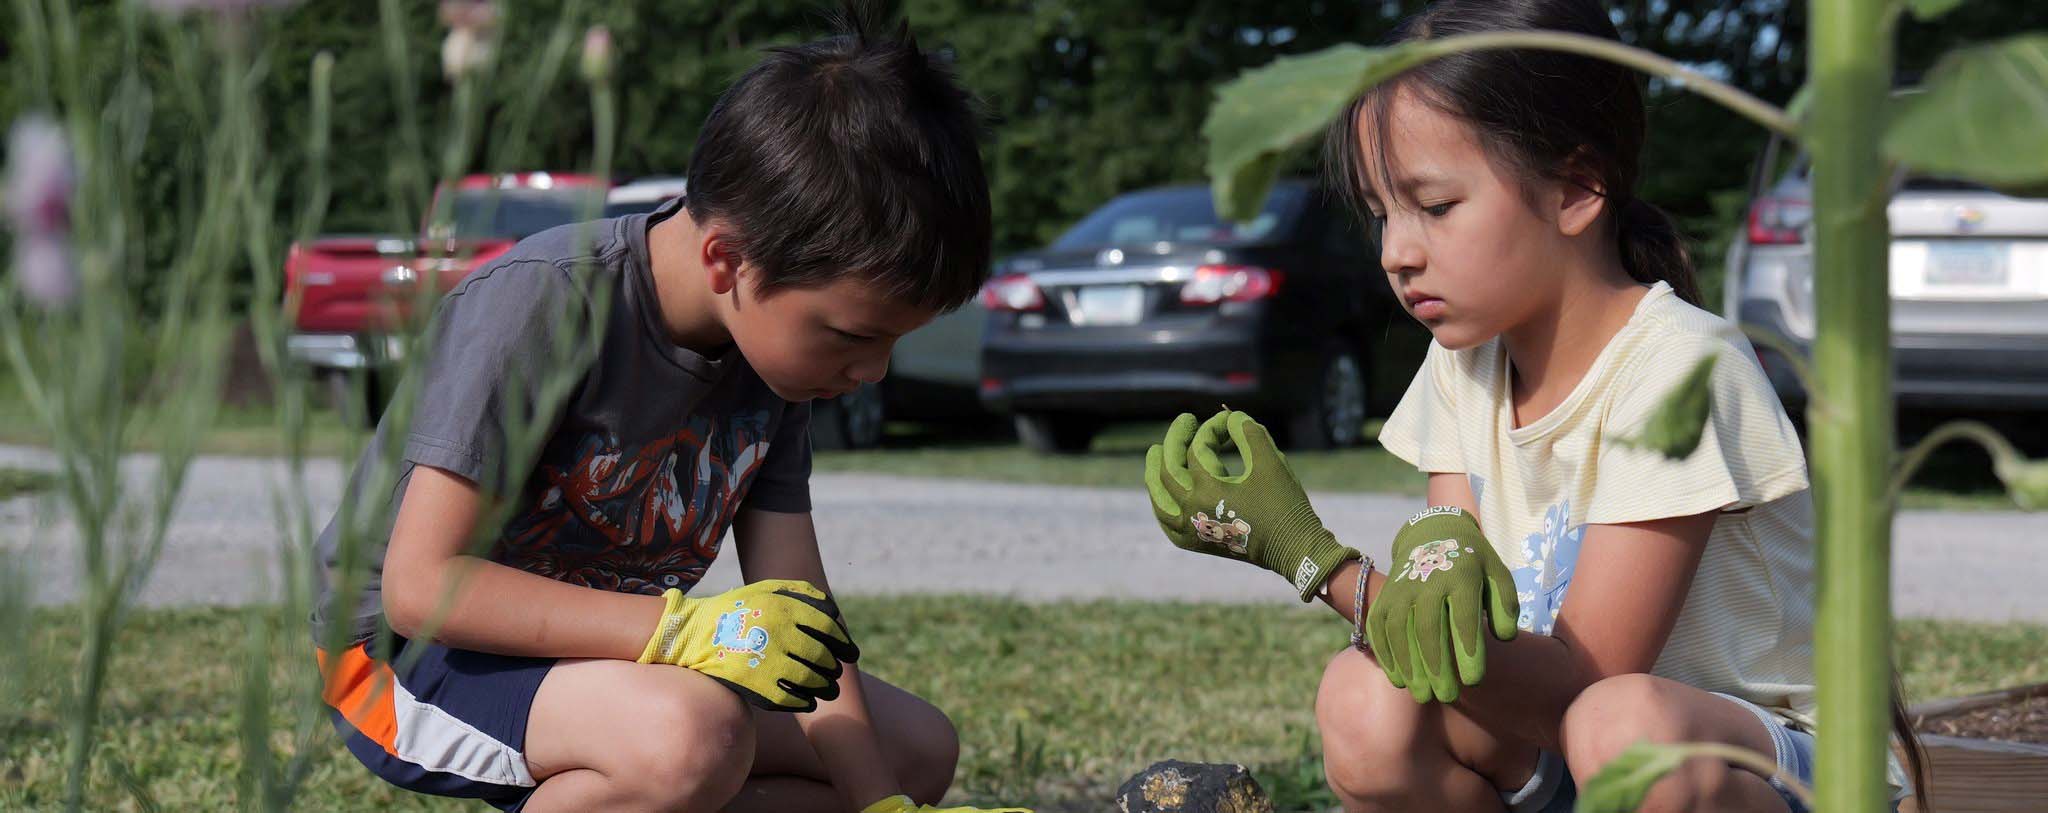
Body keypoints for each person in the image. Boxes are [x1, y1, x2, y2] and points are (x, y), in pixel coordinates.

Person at [1142, 1, 1920, 810]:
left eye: (1435, 206)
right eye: (1381, 215)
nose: (1396, 253)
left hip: (1780, 764)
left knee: (1624, 725)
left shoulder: (1682, 369)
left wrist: (1309, 554)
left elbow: (1582, 683)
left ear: (1577, 190)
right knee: (1364, 702)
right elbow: (1456, 644)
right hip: (1581, 746)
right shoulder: (1461, 366)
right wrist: (1406, 573)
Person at [312, 10, 1028, 812]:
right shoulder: (541, 302)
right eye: (853, 335)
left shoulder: (774, 365)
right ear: (729, 259)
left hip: (613, 660)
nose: (871, 371)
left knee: (914, 753)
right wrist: (683, 634)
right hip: (408, 659)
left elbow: (802, 625)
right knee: (691, 736)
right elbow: (421, 585)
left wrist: (879, 803)